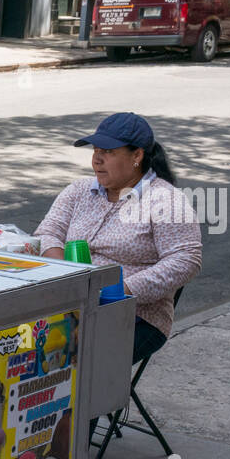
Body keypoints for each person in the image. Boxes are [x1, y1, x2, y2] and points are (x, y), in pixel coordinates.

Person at [35, 112, 202, 368]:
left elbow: (186, 260)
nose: (98, 160)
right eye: (96, 150)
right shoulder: (79, 191)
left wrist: (119, 290)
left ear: (137, 156)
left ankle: (80, 407)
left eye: (109, 152)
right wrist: (67, 274)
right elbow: (48, 232)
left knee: (55, 357)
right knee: (16, 342)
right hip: (70, 304)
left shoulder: (165, 200)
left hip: (135, 316)